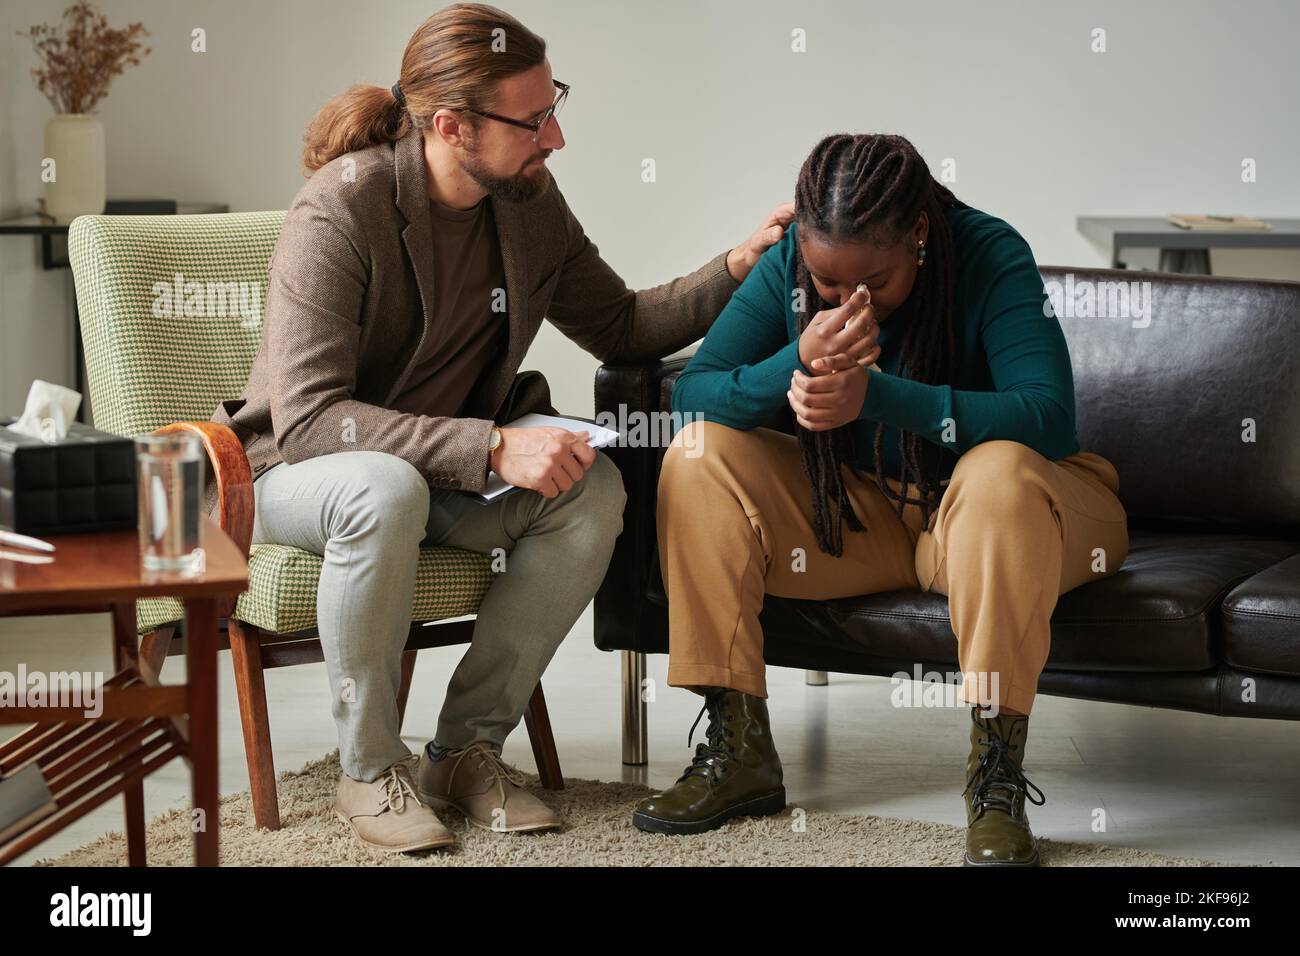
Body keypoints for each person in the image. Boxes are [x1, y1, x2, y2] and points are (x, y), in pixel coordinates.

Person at [208, 3, 792, 853]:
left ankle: (464, 749)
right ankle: (368, 769)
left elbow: (622, 323)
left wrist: (737, 265)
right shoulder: (340, 211)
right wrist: (486, 445)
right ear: (452, 126)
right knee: (382, 484)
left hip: (429, 481)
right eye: (534, 119)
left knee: (590, 489)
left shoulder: (525, 201)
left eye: (554, 105)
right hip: (294, 479)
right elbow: (309, 420)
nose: (555, 138)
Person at [632, 132, 1130, 867]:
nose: (847, 300)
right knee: (699, 453)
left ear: (920, 235)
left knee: (999, 472)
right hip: (861, 522)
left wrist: (881, 396)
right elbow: (694, 398)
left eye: (874, 282)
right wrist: (793, 361)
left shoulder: (989, 254)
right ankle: (739, 752)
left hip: (1001, 522)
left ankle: (994, 776)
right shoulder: (790, 268)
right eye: (827, 284)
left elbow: (1048, 416)